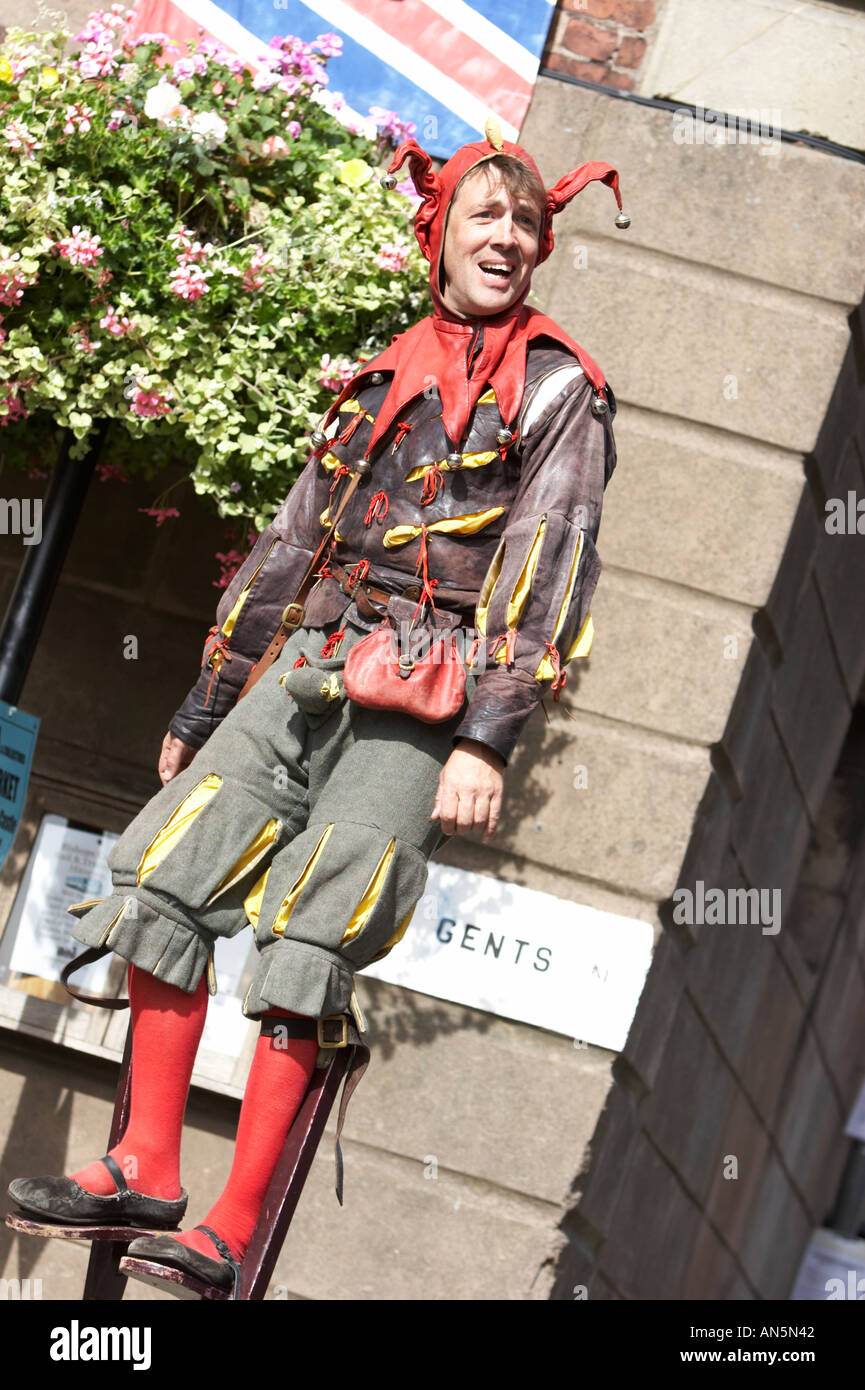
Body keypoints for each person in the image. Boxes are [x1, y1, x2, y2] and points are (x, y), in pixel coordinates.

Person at [7, 116, 626, 1297]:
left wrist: (489, 735)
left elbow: (552, 559)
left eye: (526, 222)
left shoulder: (560, 390)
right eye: (484, 215)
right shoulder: (383, 369)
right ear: (437, 230)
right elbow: (293, 541)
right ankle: (143, 1160)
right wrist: (207, 699)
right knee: (157, 873)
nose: (506, 238)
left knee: (310, 940)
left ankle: (228, 1229)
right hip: (310, 667)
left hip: (425, 692)